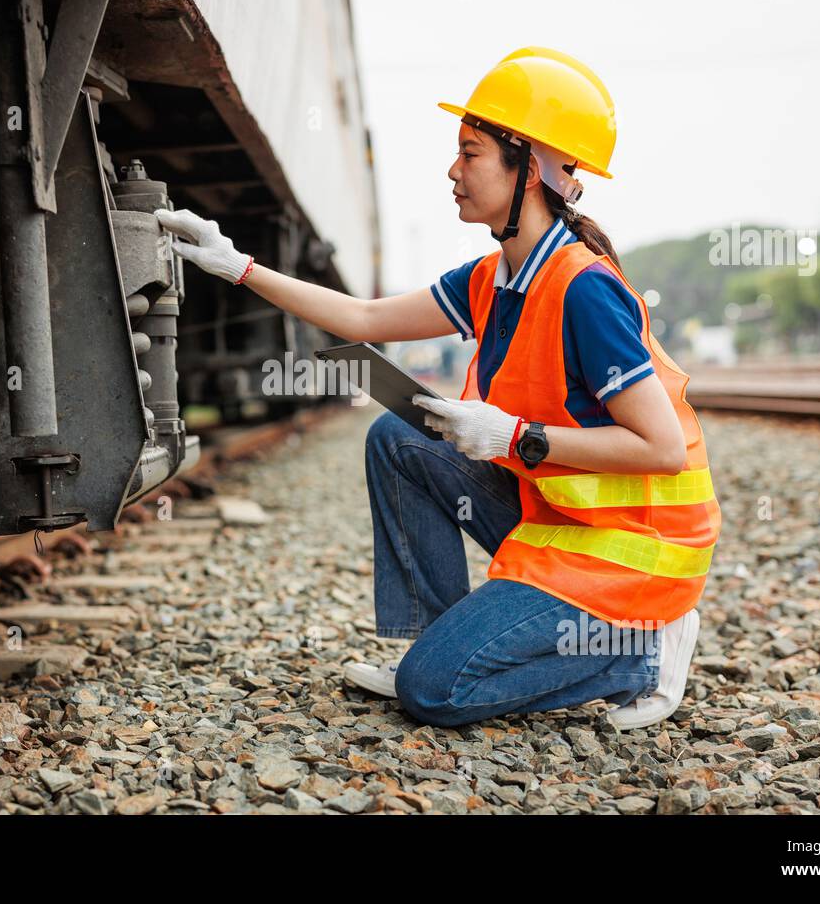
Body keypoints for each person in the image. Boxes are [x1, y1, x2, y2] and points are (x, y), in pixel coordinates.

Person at [156, 47, 721, 731]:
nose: (453, 171)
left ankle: (640, 656)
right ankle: (436, 643)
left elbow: (660, 448)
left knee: (433, 694)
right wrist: (238, 266)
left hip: (633, 551)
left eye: (471, 152)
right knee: (399, 435)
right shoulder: (493, 278)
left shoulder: (584, 290)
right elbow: (364, 319)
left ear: (531, 169)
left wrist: (514, 437)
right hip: (565, 520)